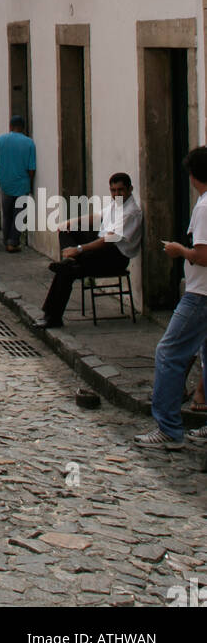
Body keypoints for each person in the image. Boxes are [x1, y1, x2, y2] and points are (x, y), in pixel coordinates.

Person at [134, 147, 207, 449]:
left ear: (192, 176)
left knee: (168, 353)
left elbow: (203, 256)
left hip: (200, 295)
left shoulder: (204, 207)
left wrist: (179, 251)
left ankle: (168, 428)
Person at [35, 172, 143, 329]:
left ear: (130, 189)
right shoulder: (116, 204)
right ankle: (70, 262)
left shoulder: (131, 212)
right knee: (67, 231)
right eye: (113, 190)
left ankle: (52, 317)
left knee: (66, 272)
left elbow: (109, 240)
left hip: (115, 257)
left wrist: (78, 249)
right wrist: (72, 221)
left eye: (120, 190)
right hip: (100, 250)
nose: (116, 194)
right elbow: (99, 216)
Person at [0, 116, 36, 253]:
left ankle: (6, 240)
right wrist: (30, 183)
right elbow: (32, 168)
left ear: (10, 127)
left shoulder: (1, 140)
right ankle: (13, 242)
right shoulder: (29, 143)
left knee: (7, 214)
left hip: (5, 183)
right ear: (23, 128)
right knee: (19, 215)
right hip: (22, 184)